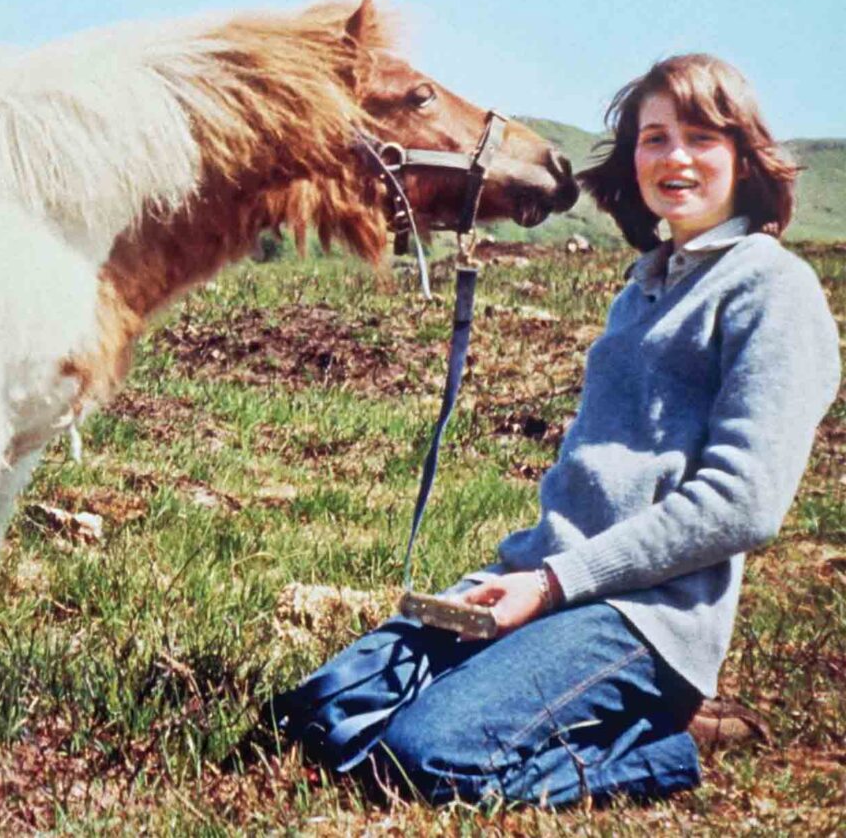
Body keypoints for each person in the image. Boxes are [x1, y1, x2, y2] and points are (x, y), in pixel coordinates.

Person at [271, 54, 841, 807]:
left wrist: (551, 585)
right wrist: (529, 579)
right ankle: (557, 697)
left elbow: (744, 505)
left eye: (701, 137)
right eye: (654, 138)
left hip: (643, 618)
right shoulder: (640, 291)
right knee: (320, 713)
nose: (675, 158)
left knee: (427, 759)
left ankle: (665, 746)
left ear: (743, 155)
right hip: (543, 584)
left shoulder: (773, 288)